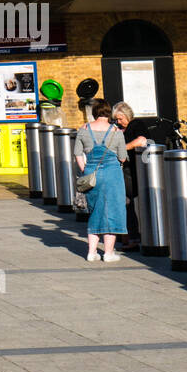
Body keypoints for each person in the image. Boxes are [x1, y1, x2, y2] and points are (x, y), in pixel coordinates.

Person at [74, 99, 127, 262]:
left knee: (95, 210)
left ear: (94, 113)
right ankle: (109, 253)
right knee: (113, 210)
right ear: (108, 114)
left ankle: (91, 252)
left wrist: (86, 171)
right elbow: (123, 157)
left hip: (92, 173)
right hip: (112, 175)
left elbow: (77, 153)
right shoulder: (116, 131)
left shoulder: (83, 130)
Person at [112, 102, 145, 249]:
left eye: (120, 119)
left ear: (127, 115)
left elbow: (141, 140)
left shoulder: (136, 125)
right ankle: (129, 236)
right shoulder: (119, 129)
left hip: (135, 171)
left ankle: (134, 238)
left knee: (129, 203)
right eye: (116, 120)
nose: (118, 122)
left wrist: (123, 149)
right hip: (125, 172)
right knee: (125, 204)